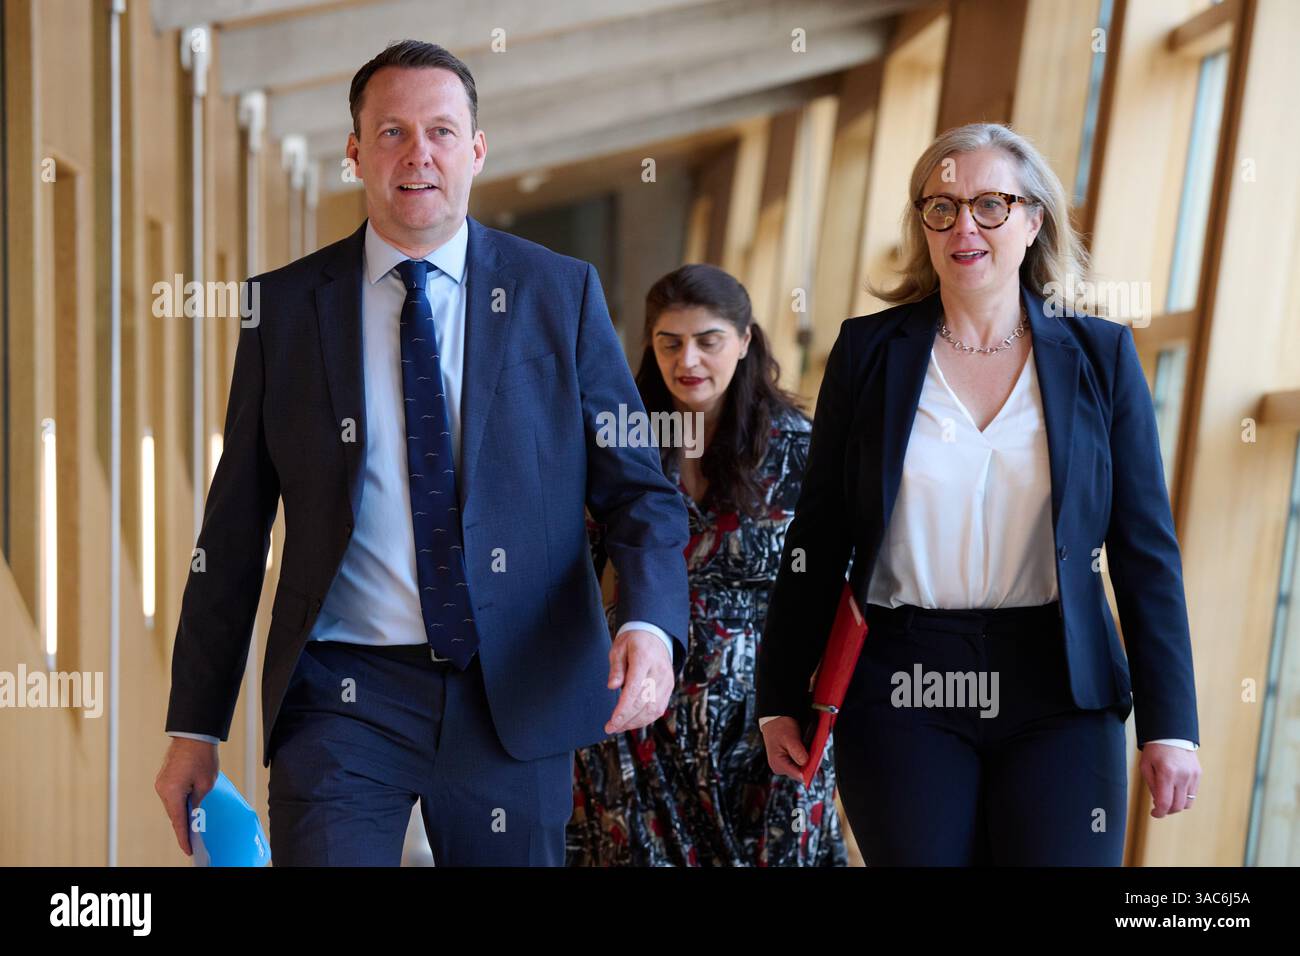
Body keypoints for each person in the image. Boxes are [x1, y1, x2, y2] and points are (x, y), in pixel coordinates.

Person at [154, 40, 690, 866]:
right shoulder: (285, 310)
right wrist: (194, 725)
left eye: (441, 131)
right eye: (393, 132)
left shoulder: (560, 293)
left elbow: (638, 492)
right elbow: (231, 530)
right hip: (342, 699)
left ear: (477, 150)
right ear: (355, 152)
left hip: (512, 690)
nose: (418, 155)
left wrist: (650, 622)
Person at [756, 122, 1202, 866]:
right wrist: (779, 694)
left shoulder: (1102, 355)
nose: (966, 224)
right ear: (923, 226)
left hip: (1061, 680)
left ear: (1034, 221)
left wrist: (1171, 725)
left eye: (991, 204)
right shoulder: (869, 354)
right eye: (943, 206)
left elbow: (1144, 549)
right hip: (906, 680)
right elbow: (819, 538)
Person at [569, 264, 847, 866]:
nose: (687, 359)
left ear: (745, 341)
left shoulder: (800, 446)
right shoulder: (624, 441)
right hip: (643, 706)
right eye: (670, 342)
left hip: (764, 714)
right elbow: (578, 564)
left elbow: (837, 581)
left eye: (708, 340)